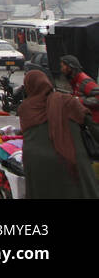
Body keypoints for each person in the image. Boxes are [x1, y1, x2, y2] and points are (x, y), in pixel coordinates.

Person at [19, 69, 99, 199]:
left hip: (36, 164)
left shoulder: (25, 108)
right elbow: (92, 125)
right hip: (70, 161)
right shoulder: (67, 101)